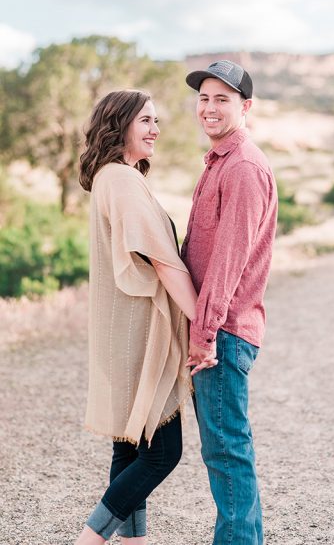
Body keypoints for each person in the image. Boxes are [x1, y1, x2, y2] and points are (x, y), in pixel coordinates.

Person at [75, 90, 213, 545]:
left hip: (124, 332)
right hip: (137, 335)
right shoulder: (120, 179)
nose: (155, 130)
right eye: (146, 121)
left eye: (157, 121)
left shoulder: (114, 177)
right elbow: (163, 262)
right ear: (120, 125)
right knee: (161, 454)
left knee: (131, 447)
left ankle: (133, 542)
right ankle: (88, 540)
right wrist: (204, 326)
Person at [182, 60, 278, 545]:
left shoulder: (242, 167)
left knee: (226, 452)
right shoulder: (220, 161)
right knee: (224, 450)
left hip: (222, 335)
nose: (210, 108)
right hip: (217, 331)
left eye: (222, 99)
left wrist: (204, 336)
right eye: (204, 98)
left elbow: (228, 263)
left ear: (246, 107)